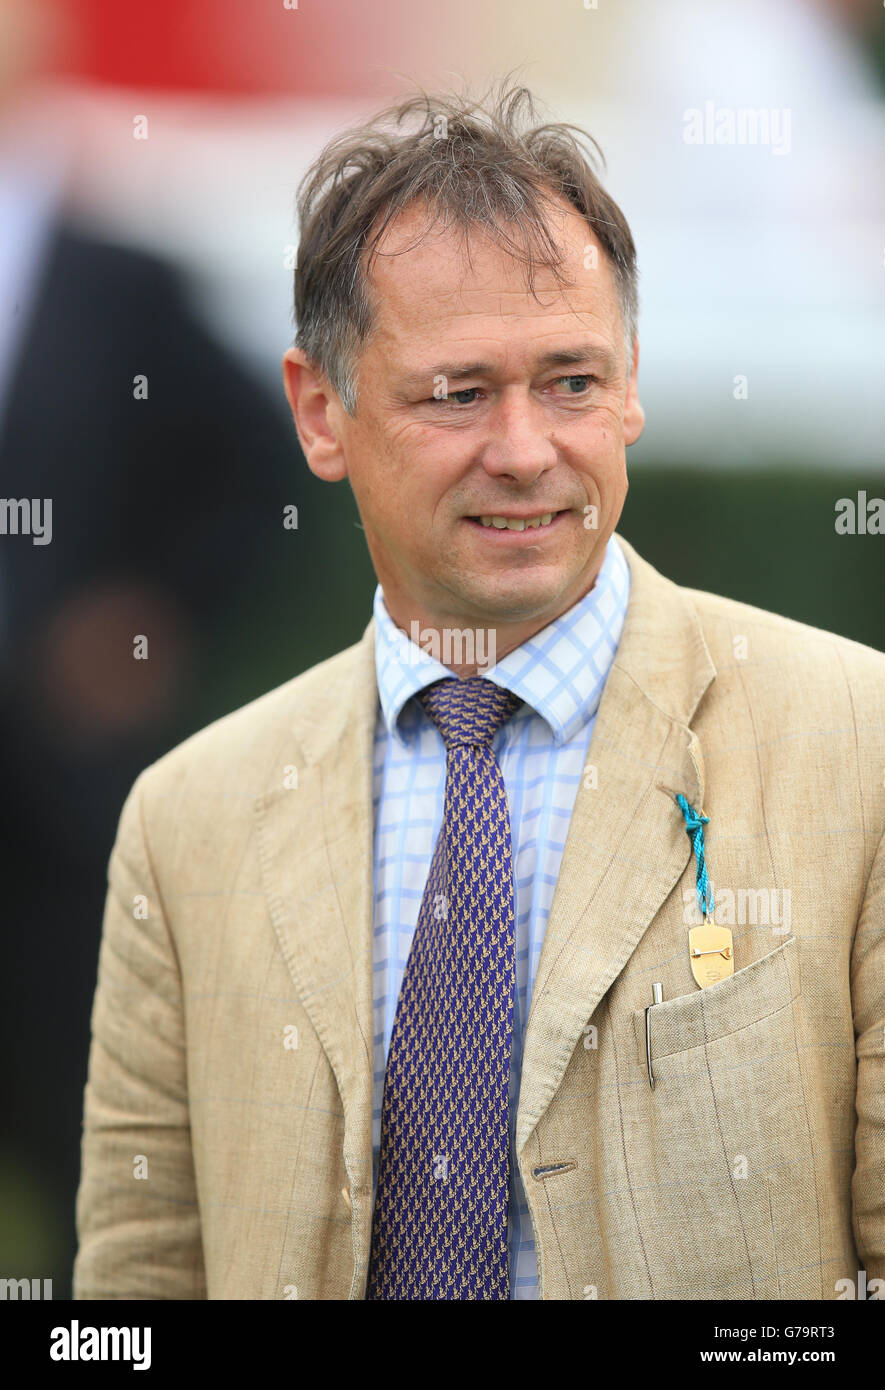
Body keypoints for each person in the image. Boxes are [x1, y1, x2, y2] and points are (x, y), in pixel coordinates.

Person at [73, 80, 884, 1301]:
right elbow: (134, 1295)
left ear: (632, 379)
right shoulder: (187, 822)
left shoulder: (856, 746)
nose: (524, 447)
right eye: (459, 392)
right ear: (318, 411)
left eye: (570, 381)